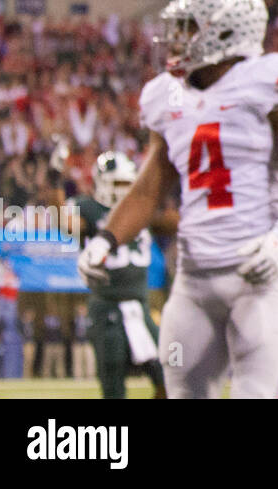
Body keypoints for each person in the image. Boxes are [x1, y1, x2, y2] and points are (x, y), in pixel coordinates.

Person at [78, 0, 278, 399]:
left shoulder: (274, 80)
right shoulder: (165, 96)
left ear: (226, 30)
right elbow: (149, 188)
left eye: (188, 27)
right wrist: (105, 239)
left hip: (258, 270)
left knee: (254, 395)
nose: (175, 38)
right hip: (193, 277)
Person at [70, 152, 167, 398]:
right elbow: (68, 225)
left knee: (169, 374)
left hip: (140, 307)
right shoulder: (89, 208)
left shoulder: (141, 208)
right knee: (113, 386)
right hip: (107, 309)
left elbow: (169, 220)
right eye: (119, 183)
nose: (124, 189)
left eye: (128, 183)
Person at [71, 303, 94, 381]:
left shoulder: (89, 319)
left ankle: (90, 375)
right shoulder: (75, 319)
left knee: (89, 359)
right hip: (78, 342)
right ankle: (78, 376)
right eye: (80, 310)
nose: (82, 311)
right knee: (77, 360)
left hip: (88, 342)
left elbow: (93, 330)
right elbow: (72, 330)